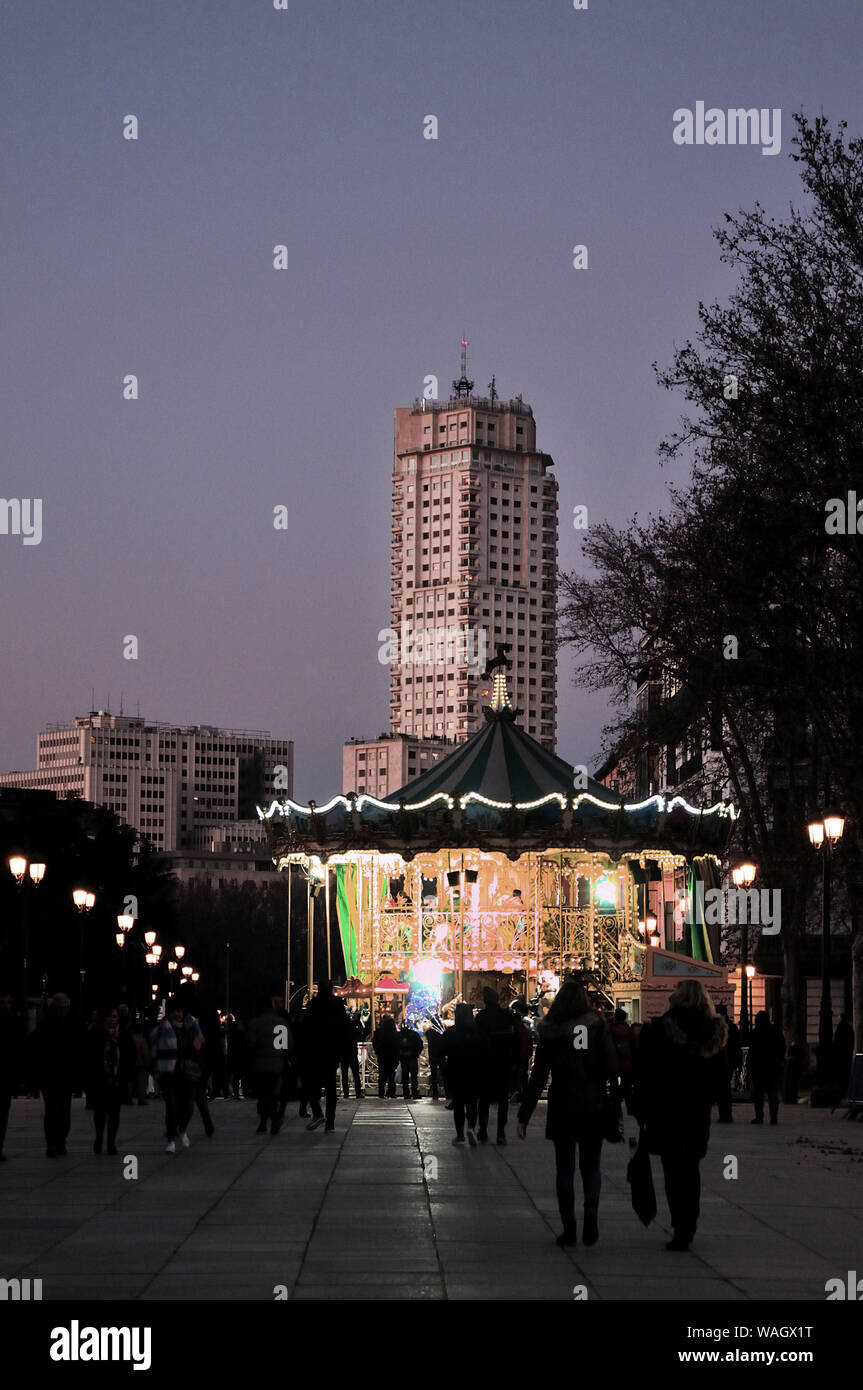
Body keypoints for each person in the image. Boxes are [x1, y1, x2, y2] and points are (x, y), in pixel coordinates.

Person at [517, 979, 619, 1247]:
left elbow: (538, 1076)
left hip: (563, 1104)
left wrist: (524, 1114)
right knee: (591, 1166)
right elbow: (611, 1066)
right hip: (592, 1103)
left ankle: (569, 1228)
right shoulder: (596, 1026)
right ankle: (591, 1215)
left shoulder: (551, 1031)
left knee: (564, 1168)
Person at [631, 980, 727, 1251]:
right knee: (691, 1168)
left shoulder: (660, 1030)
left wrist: (640, 1106)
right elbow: (721, 1074)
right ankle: (689, 1222)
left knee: (673, 1171)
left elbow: (644, 1072)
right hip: (696, 1111)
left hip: (667, 1110)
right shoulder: (714, 1032)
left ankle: (679, 1224)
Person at [31, 993, 79, 1158]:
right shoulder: (46, 1025)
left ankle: (60, 1141)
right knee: (51, 1110)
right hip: (50, 1076)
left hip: (64, 1075)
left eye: (65, 1007)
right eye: (60, 1008)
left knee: (64, 1111)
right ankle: (52, 1143)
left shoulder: (71, 1025)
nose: (62, 1010)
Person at [303, 980, 351, 1132]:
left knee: (311, 1084)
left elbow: (306, 1027)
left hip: (315, 1049)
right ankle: (330, 1121)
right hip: (332, 1050)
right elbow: (344, 1028)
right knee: (330, 1087)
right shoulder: (337, 1005)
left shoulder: (313, 1005)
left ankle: (318, 1113)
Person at [86, 1006, 135, 1155]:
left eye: (114, 1016)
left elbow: (130, 1055)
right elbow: (89, 1055)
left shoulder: (123, 1035)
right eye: (108, 1016)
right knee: (100, 1112)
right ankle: (99, 1137)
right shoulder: (95, 1034)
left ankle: (111, 1142)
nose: (111, 1020)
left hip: (117, 1080)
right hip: (100, 1079)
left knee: (114, 1113)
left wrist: (126, 1076)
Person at [149, 997, 194, 1153]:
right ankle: (171, 1139)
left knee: (188, 1107)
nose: (178, 1014)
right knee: (172, 1106)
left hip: (186, 1073)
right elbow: (153, 1046)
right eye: (175, 1011)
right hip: (168, 1073)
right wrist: (155, 1068)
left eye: (180, 1011)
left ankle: (181, 1129)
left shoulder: (189, 1027)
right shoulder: (163, 1028)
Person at [476, 987, 519, 1143]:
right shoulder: (506, 1017)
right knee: (502, 1100)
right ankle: (501, 1132)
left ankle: (483, 1129)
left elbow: (477, 1042)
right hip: (503, 1063)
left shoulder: (481, 1018)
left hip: (486, 1063)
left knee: (484, 1099)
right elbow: (515, 1039)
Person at [246, 996, 290, 1135]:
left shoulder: (256, 1024)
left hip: (260, 1064)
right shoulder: (281, 1023)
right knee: (271, 1093)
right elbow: (287, 1045)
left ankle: (268, 1120)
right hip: (277, 1064)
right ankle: (268, 1120)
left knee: (263, 1094)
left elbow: (250, 1044)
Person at [441, 1003, 481, 1145]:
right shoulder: (477, 1032)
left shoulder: (451, 1032)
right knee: (472, 1102)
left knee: (458, 1104)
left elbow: (442, 1050)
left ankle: (460, 1135)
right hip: (473, 1071)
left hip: (456, 1071)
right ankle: (471, 1127)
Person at [747, 1010, 786, 1125]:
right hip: (772, 1067)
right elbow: (781, 1048)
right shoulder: (775, 1032)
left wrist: (750, 1065)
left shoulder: (755, 1033)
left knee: (759, 1094)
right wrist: (778, 1061)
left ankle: (759, 1117)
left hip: (759, 1068)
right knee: (772, 1094)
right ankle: (773, 1117)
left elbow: (752, 1051)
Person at [0, 991, 22, 1160]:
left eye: (9, 1003)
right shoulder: (13, 1021)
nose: (6, 1006)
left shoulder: (13, 1021)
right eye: (4, 1003)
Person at [714, 1003, 743, 1122]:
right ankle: (726, 1114)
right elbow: (737, 1045)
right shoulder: (731, 1027)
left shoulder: (716, 1026)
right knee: (725, 1089)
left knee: (721, 1089)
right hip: (728, 1061)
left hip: (720, 1061)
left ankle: (724, 1114)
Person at [609, 1009, 636, 1111]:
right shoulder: (629, 1031)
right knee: (627, 1086)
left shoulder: (611, 1030)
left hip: (614, 1062)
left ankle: (615, 1106)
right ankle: (629, 1107)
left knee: (614, 1086)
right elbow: (634, 1047)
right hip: (627, 1063)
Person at [372, 1013, 399, 1099]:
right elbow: (397, 1045)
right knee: (391, 1075)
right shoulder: (394, 1033)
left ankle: (381, 1092)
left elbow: (375, 1043)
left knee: (382, 1075)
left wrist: (377, 1051)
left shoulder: (379, 1032)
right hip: (391, 1056)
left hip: (382, 1056)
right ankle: (391, 1092)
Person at [340, 1005, 365, 1099]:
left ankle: (346, 1092)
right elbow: (361, 1031)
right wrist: (358, 1022)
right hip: (352, 1053)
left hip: (344, 1053)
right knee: (355, 1073)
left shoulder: (342, 1030)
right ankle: (358, 1092)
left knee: (345, 1074)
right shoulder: (353, 1028)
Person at [398, 1019, 424, 1100]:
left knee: (405, 1077)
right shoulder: (414, 1034)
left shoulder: (399, 1035)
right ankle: (414, 1093)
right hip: (412, 1057)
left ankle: (406, 1093)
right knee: (413, 1077)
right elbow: (420, 1045)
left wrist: (400, 1054)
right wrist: (415, 1053)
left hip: (404, 1058)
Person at [833, 1015, 855, 1099]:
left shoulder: (840, 1028)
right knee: (846, 1075)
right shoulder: (849, 1029)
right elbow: (852, 1042)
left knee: (840, 1075)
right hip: (847, 1055)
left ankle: (841, 1093)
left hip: (840, 1056)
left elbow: (836, 1042)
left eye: (839, 1018)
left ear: (841, 1019)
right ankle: (846, 1092)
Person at [130, 1023, 150, 1104]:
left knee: (130, 1081)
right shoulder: (142, 1040)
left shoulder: (130, 1039)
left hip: (131, 1063)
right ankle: (141, 1099)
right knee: (141, 1081)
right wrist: (147, 1063)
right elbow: (145, 1053)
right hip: (141, 1064)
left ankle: (129, 1098)